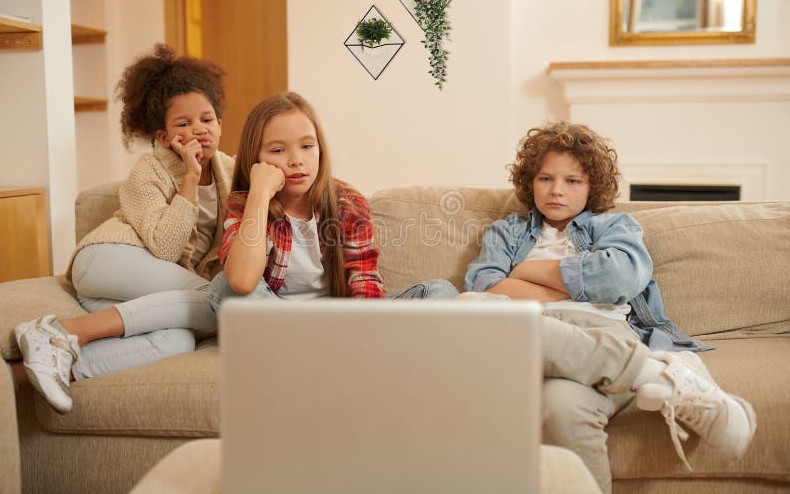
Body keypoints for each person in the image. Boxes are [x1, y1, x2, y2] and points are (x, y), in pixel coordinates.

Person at [464, 122, 756, 493]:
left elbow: (618, 277)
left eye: (573, 181)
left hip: (603, 330)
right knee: (494, 330)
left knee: (556, 395)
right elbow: (484, 287)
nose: (556, 190)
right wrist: (576, 287)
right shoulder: (506, 232)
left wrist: (524, 272)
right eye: (545, 178)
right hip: (537, 334)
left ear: (593, 187)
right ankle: (654, 375)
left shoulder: (614, 226)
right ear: (530, 181)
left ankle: (641, 369)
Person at [14, 44, 235, 414]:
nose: (199, 129)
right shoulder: (150, 170)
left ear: (220, 125)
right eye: (183, 124)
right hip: (106, 261)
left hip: (129, 293)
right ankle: (61, 331)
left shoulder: (230, 171)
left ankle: (23, 374)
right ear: (164, 137)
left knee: (176, 340)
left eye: (207, 119)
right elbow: (166, 247)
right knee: (219, 299)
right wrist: (190, 178)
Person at [207, 91, 456, 309]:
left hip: (340, 319)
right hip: (279, 315)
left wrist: (364, 328)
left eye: (307, 146)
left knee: (440, 291)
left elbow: (364, 282)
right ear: (256, 158)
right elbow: (242, 281)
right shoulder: (247, 205)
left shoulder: (347, 202)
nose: (297, 160)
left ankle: (324, 341)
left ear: (320, 149)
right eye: (278, 150)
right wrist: (260, 194)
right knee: (224, 287)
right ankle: (312, 340)